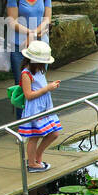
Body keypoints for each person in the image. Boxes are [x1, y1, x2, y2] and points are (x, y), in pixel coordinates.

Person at [5, 0, 52, 119]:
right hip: (20, 46)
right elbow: (12, 21)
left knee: (39, 82)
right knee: (23, 83)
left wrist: (35, 33)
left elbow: (47, 19)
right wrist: (29, 33)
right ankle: (23, 123)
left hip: (40, 47)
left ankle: (41, 119)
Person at [18, 41, 62, 173]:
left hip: (45, 107)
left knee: (54, 133)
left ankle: (37, 156)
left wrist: (50, 86)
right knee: (35, 136)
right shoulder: (26, 74)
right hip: (35, 109)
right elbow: (28, 95)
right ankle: (32, 163)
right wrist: (47, 88)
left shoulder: (39, 70)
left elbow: (40, 86)